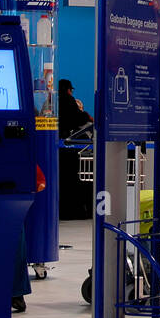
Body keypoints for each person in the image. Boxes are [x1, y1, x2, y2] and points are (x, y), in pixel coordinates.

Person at [58, 79, 94, 220]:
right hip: (68, 149)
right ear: (68, 90)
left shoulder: (51, 101)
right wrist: (89, 118)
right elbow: (78, 118)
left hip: (57, 147)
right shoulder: (68, 100)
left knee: (61, 180)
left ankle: (62, 210)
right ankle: (72, 211)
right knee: (71, 179)